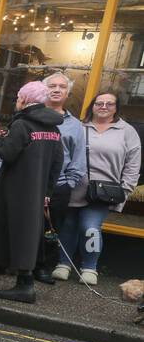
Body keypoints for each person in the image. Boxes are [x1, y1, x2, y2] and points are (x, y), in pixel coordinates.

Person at [0, 81, 65, 303]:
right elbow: (57, 162)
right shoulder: (53, 129)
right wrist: (47, 191)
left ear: (25, 100)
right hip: (36, 190)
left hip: (13, 189)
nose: (17, 102)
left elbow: (7, 152)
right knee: (20, 233)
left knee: (4, 230)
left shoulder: (23, 125)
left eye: (18, 98)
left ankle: (25, 285)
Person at [56, 90, 141, 284]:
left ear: (116, 108)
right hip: (73, 187)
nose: (103, 107)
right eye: (99, 103)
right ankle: (63, 264)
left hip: (104, 192)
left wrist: (125, 189)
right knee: (68, 226)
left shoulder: (126, 131)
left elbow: (133, 164)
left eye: (109, 104)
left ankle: (89, 268)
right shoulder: (79, 127)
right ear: (92, 106)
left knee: (90, 228)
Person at [33, 71, 87, 283]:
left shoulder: (75, 125)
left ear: (67, 93)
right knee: (23, 224)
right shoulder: (31, 116)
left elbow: (79, 159)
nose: (56, 89)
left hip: (58, 187)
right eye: (52, 85)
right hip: (29, 183)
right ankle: (19, 265)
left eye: (62, 87)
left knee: (50, 230)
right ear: (43, 90)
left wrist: (68, 183)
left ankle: (42, 269)